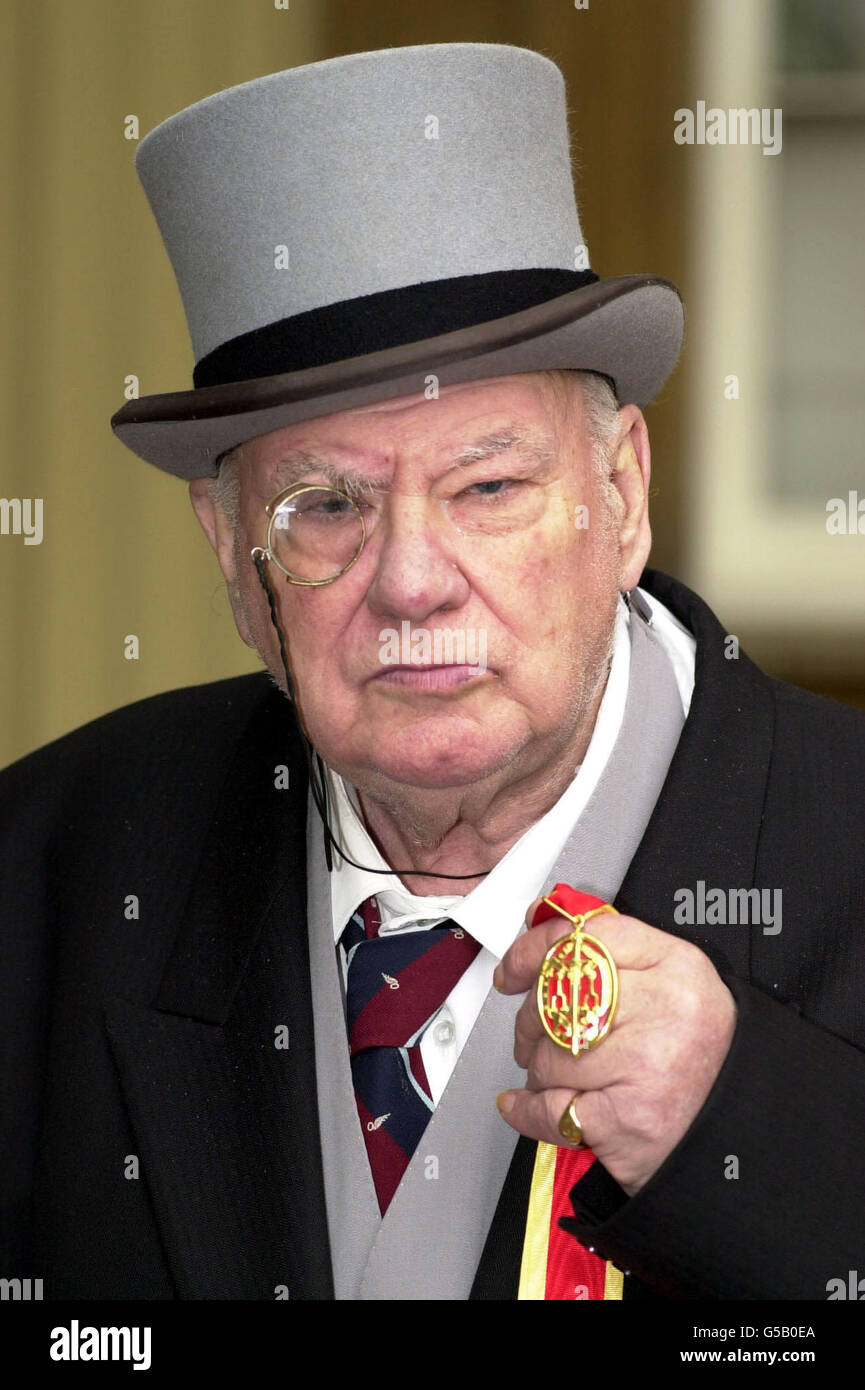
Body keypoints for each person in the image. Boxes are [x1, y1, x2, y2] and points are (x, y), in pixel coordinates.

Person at [2, 43, 864, 1302]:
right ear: (236, 561)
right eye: (325, 505)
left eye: (489, 487)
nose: (412, 580)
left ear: (620, 495)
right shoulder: (43, 868)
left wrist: (753, 1134)